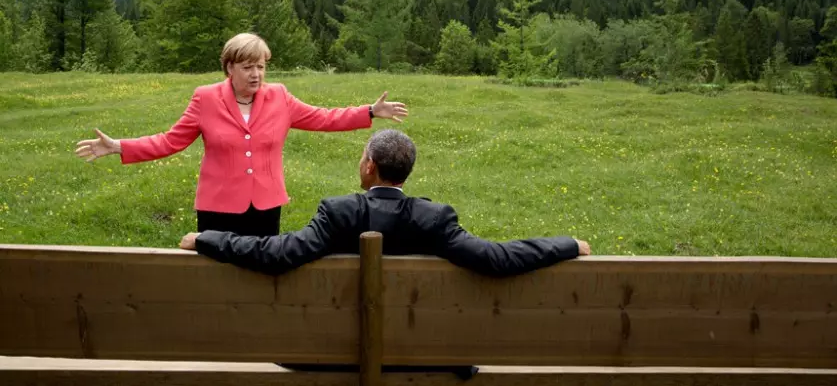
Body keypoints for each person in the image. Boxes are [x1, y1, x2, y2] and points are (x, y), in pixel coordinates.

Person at [74, 33, 408, 237]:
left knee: (260, 271)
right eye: (248, 67)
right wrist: (119, 146)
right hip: (218, 206)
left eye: (261, 66)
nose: (256, 74)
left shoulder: (279, 96)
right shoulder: (205, 99)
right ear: (229, 68)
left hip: (265, 205)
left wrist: (368, 111)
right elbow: (170, 140)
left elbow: (322, 117)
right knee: (217, 276)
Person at [179, 128, 590, 277]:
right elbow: (498, 258)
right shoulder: (434, 220)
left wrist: (207, 238)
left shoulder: (339, 214)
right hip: (420, 352)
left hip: (329, 356)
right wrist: (569, 245)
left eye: (362, 157)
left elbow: (275, 253)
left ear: (369, 167)